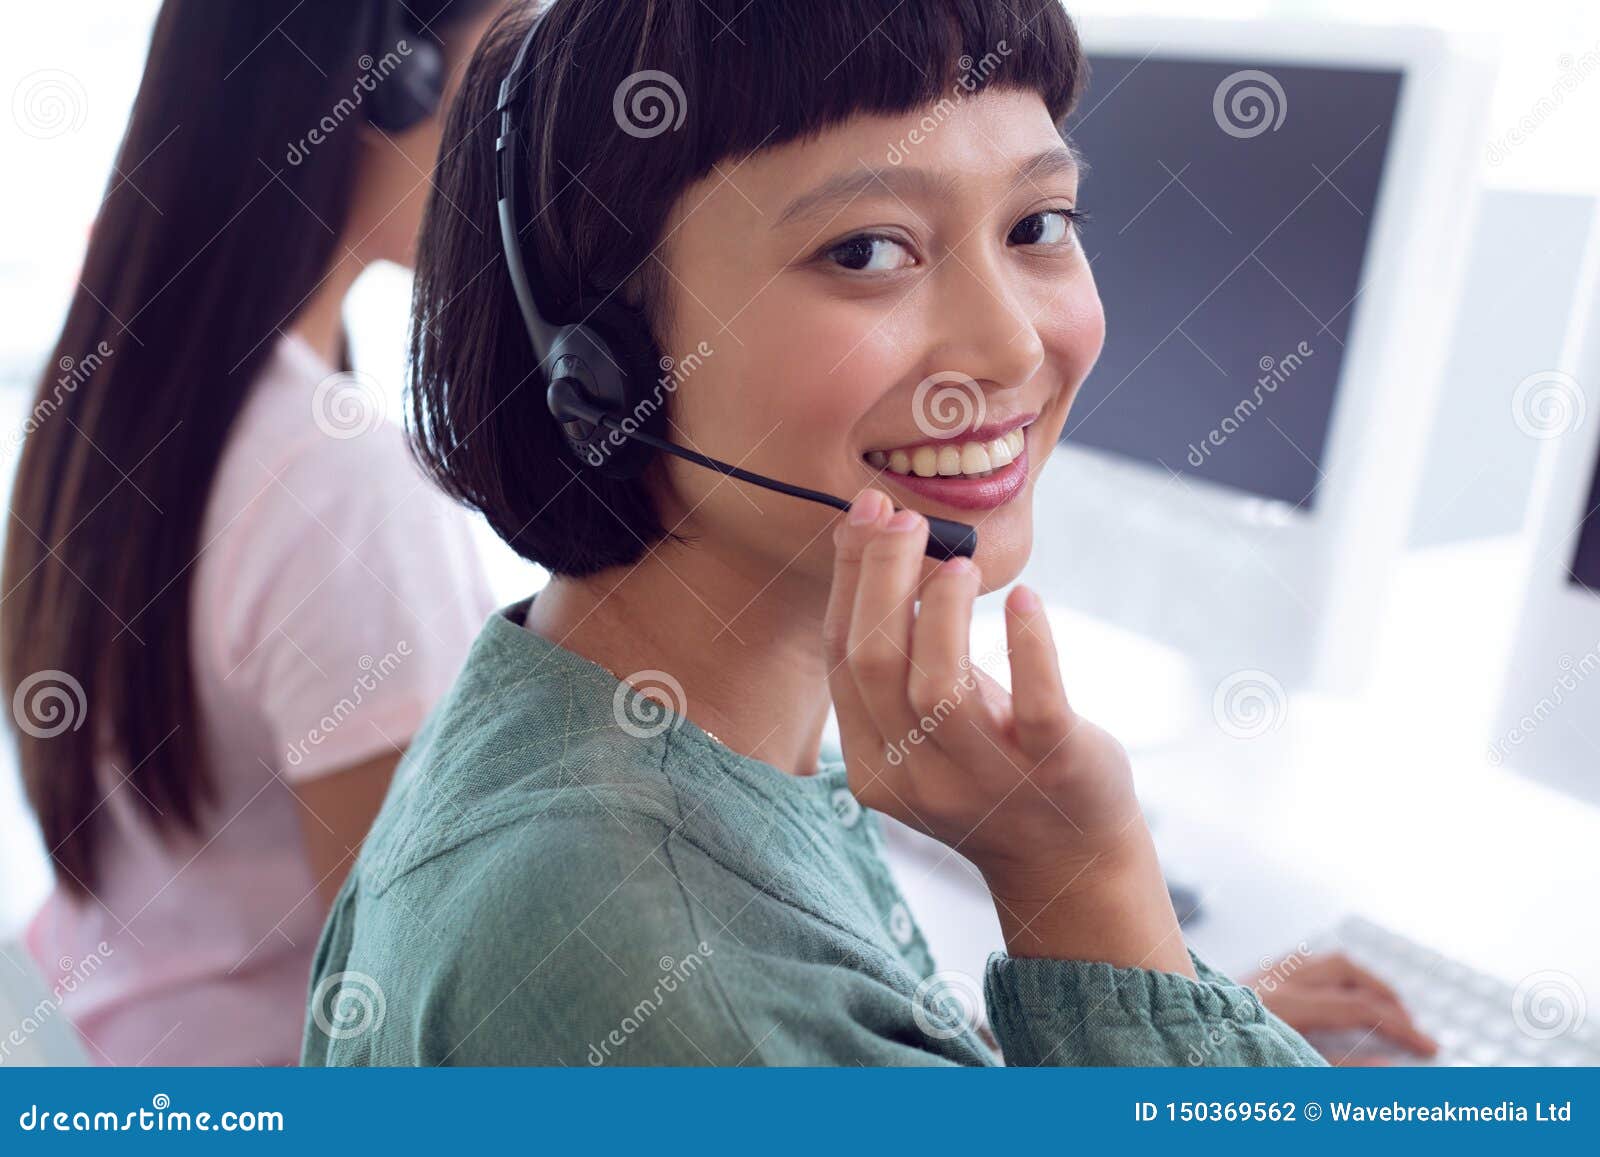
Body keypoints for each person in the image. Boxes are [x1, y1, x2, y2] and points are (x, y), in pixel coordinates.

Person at [301, 0, 1395, 1066]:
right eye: (868, 250)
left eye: (1038, 226)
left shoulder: (598, 730)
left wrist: (1124, 1001)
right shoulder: (665, 963)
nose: (1012, 346)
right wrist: (1088, 887)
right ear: (599, 356)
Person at [3, 0, 501, 1066]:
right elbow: (421, 1015)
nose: (523, 145)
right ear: (394, 85)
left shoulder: (114, 403)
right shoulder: (341, 487)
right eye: (502, 79)